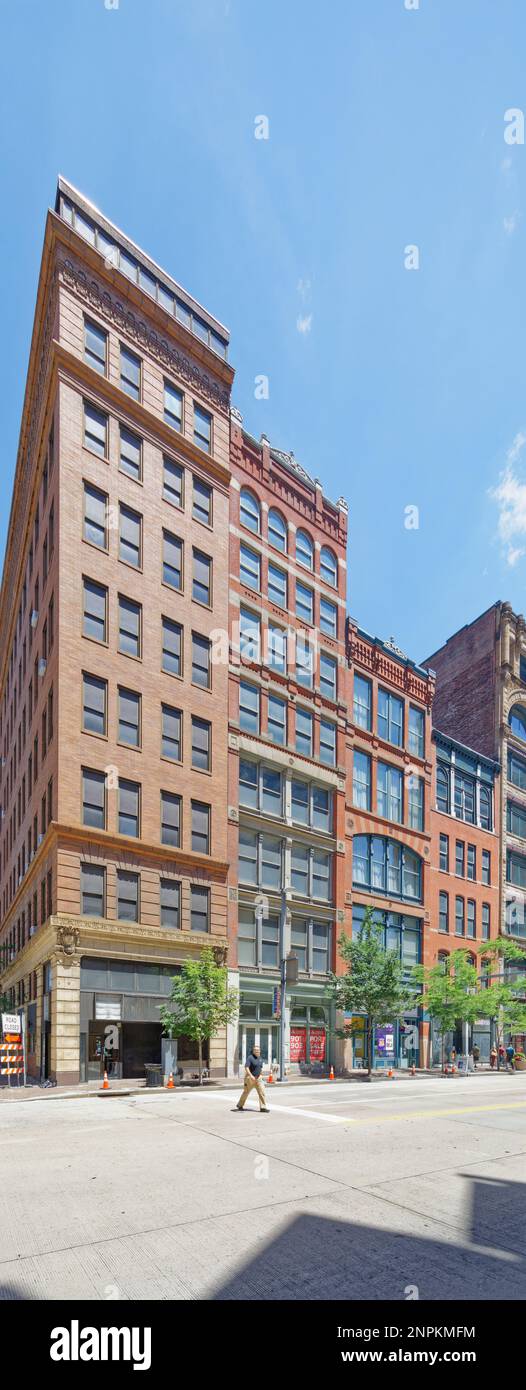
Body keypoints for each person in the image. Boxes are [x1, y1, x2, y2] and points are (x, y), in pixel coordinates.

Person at [236, 1044, 269, 1112]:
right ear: (253, 1051)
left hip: (259, 1078)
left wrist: (261, 1075)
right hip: (250, 1078)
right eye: (255, 1050)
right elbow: (246, 1067)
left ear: (260, 1051)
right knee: (246, 1092)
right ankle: (240, 1105)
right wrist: (250, 1075)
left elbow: (260, 1068)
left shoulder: (260, 1058)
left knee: (262, 1092)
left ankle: (263, 1107)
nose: (257, 1051)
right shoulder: (250, 1058)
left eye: (258, 1050)